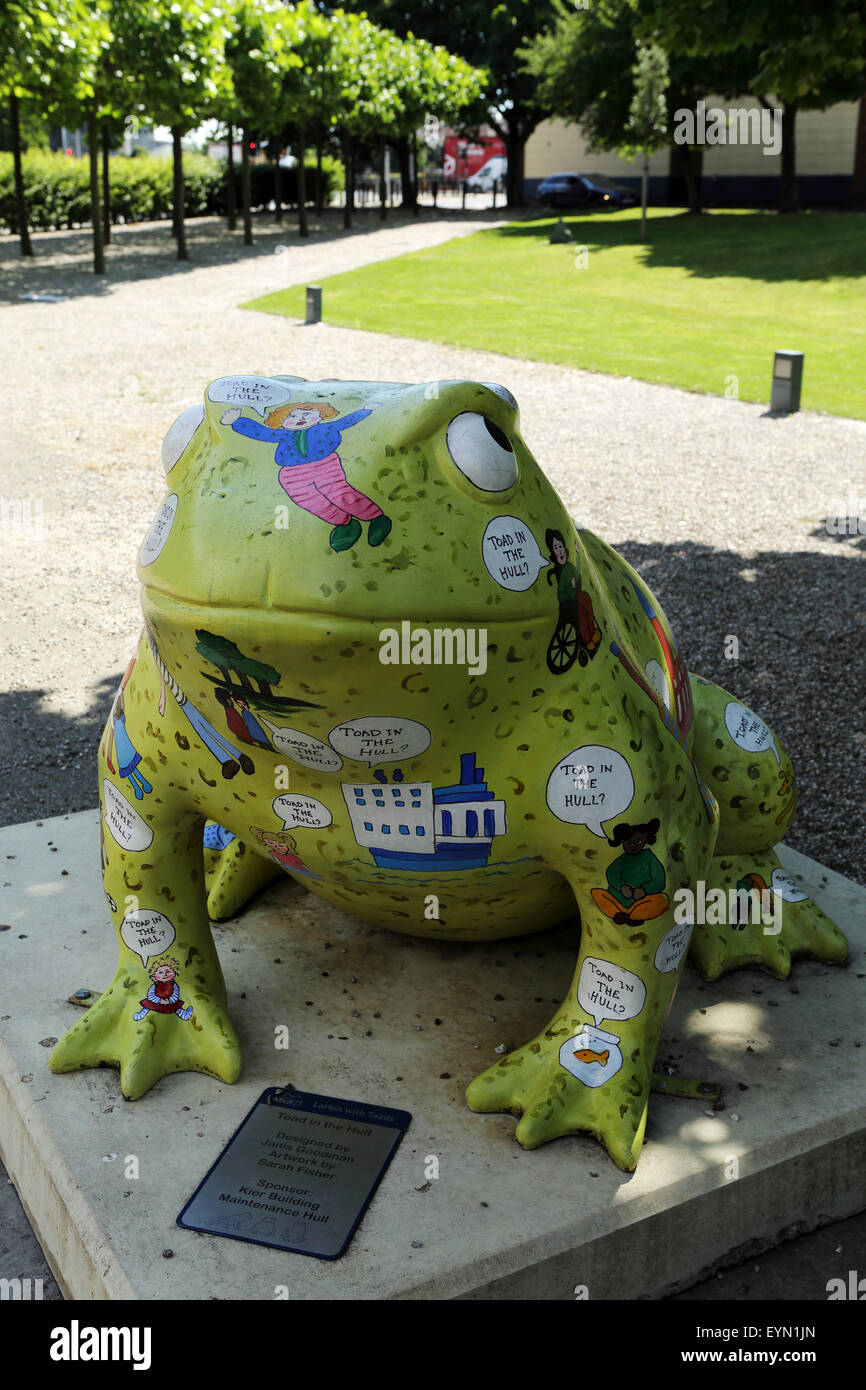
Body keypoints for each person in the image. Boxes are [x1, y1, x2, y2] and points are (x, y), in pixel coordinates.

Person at [221, 401, 392, 552]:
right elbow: (261, 432)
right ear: (281, 423)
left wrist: (366, 410)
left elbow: (344, 422)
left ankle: (375, 518)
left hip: (325, 464)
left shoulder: (325, 428)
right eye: (291, 416)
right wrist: (237, 422)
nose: (299, 418)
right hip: (292, 473)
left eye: (306, 413)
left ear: (320, 414)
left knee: (339, 492)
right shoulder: (283, 435)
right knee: (310, 501)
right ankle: (345, 523)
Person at [591, 819, 669, 925]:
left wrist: (644, 890)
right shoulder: (621, 860)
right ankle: (629, 914)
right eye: (630, 842)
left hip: (643, 900)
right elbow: (611, 874)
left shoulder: (649, 857)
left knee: (662, 900)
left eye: (640, 842)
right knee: (599, 894)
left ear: (646, 840)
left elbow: (659, 879)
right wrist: (621, 886)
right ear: (623, 842)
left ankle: (628, 914)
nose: (634, 846)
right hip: (620, 898)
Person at [545, 528, 600, 652]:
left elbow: (578, 571)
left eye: (561, 546)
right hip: (567, 601)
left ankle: (591, 633)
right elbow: (561, 595)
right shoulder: (562, 570)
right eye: (556, 548)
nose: (560, 551)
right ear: (553, 553)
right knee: (581, 603)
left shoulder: (568, 566)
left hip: (573, 597)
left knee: (585, 598)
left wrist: (577, 553)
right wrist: (571, 587)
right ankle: (587, 639)